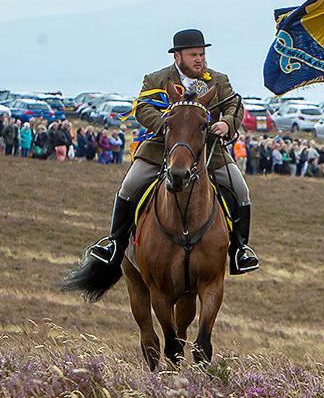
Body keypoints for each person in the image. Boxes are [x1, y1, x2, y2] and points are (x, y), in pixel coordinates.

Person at [80, 29, 260, 276]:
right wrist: (165, 125)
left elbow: (234, 106)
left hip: (208, 150)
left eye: (202, 54)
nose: (199, 59)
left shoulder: (218, 80)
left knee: (240, 189)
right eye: (193, 55)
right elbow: (143, 107)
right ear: (178, 56)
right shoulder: (156, 79)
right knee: (129, 185)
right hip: (161, 148)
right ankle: (114, 243)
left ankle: (240, 250)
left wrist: (227, 123)